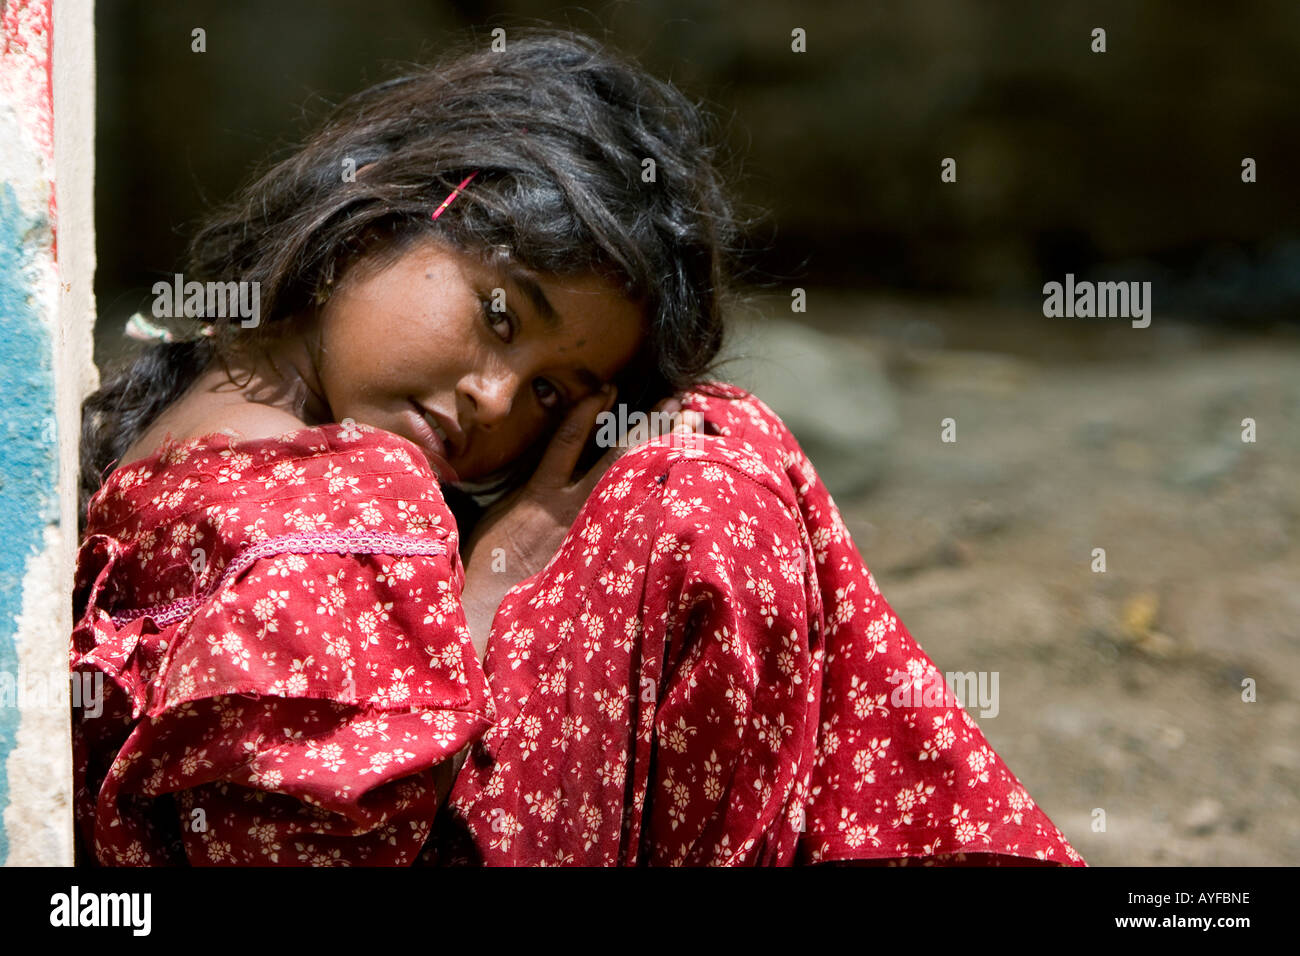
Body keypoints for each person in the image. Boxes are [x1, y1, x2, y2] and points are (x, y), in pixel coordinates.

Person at [72, 29, 1083, 867]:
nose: (493, 397)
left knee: (699, 448)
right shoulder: (348, 491)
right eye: (503, 315)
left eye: (550, 390)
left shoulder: (207, 384)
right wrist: (490, 584)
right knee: (707, 479)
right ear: (381, 202)